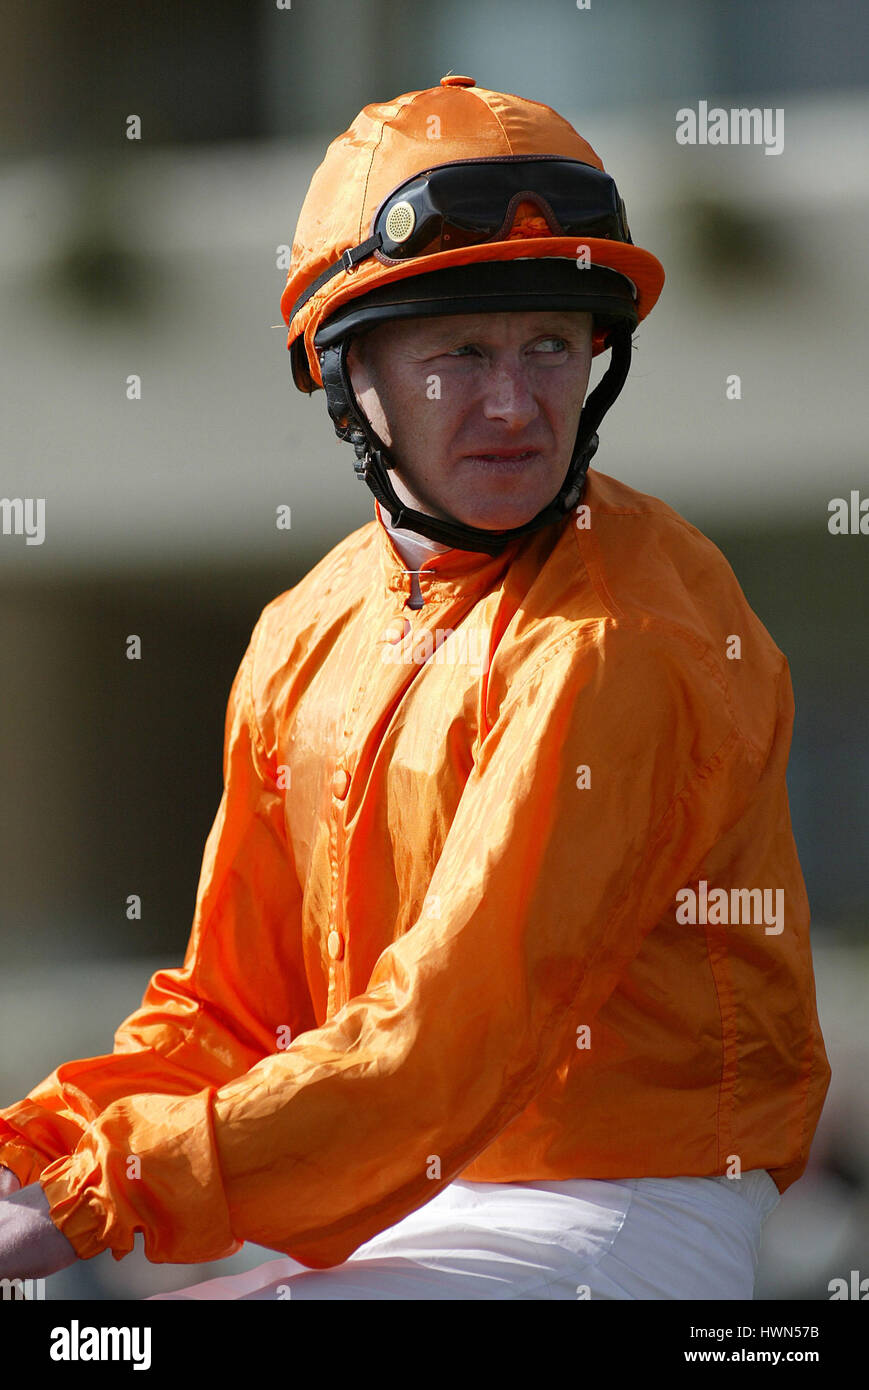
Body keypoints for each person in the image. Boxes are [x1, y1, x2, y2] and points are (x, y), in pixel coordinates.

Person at [0, 75, 831, 1301]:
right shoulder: (304, 628)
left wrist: (92, 1197)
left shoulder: (623, 633)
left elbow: (445, 1042)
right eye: (458, 353)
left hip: (612, 1221)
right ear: (347, 378)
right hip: (396, 1209)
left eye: (549, 345)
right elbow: (235, 1017)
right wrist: (38, 1153)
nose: (515, 404)